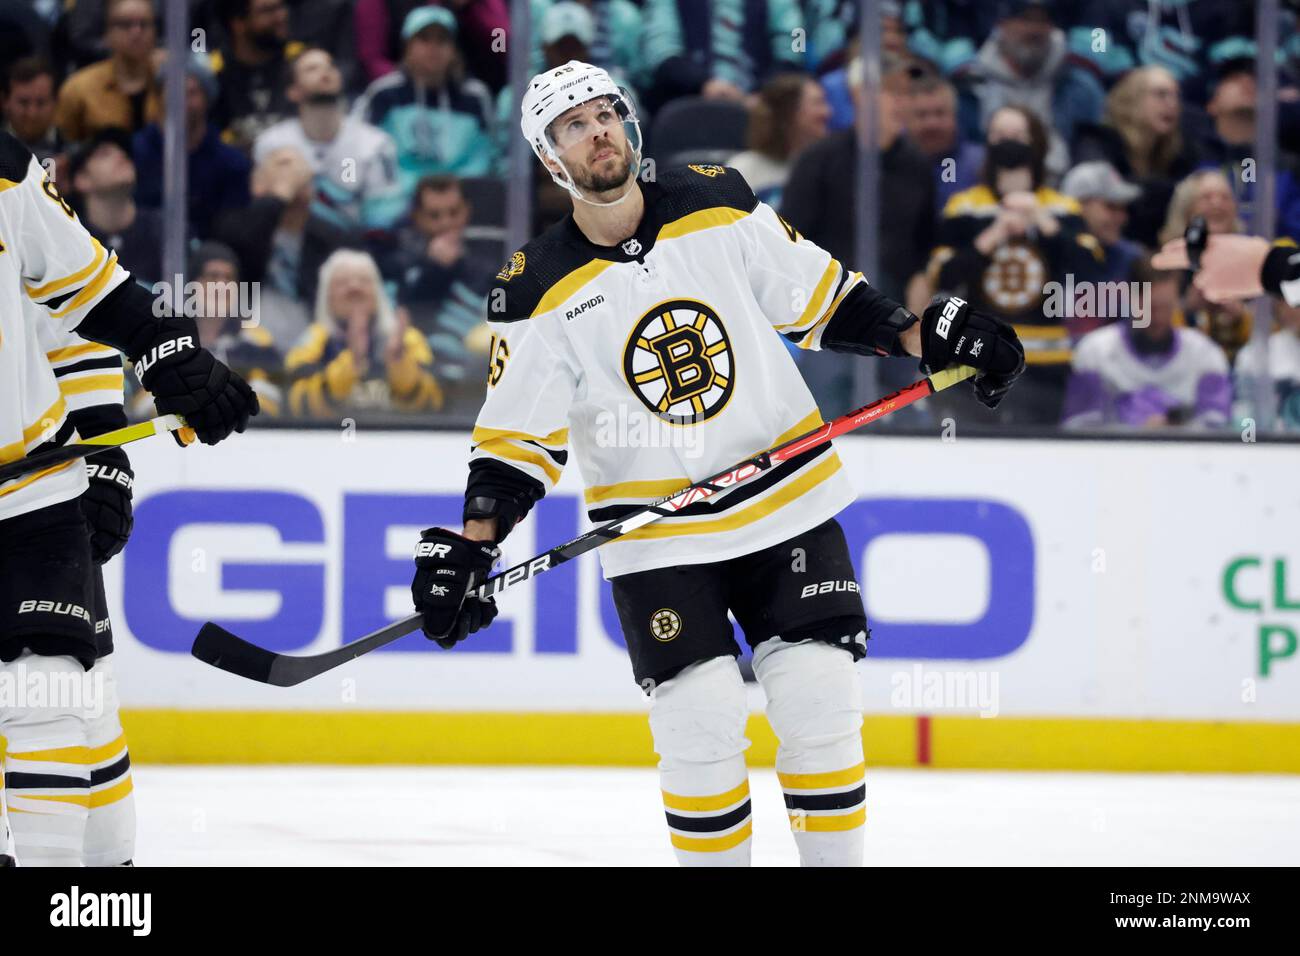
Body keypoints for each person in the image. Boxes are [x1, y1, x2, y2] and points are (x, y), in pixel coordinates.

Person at [406, 61, 1024, 868]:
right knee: (698, 729)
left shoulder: (716, 199)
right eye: (572, 125)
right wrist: (475, 541)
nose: (597, 131)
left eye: (605, 113)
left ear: (628, 126)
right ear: (550, 159)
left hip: (785, 502)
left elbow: (826, 299)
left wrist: (928, 337)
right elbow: (517, 441)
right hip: (658, 539)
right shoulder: (532, 290)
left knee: (820, 704)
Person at [0, 129, 259, 866]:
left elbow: (80, 292)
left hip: (29, 480)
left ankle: (87, 888)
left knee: (58, 688)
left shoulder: (4, 167)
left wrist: (163, 352)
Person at [927, 104, 1100, 425]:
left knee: (1040, 455)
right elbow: (942, 276)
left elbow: (1089, 273)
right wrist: (994, 234)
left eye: (1018, 135)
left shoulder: (1062, 208)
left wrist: (1042, 221)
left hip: (1046, 358)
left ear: (1036, 142)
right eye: (1000, 135)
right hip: (978, 354)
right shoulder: (965, 207)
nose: (1009, 144)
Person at [1062, 259, 1231, 429]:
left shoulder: (1205, 354)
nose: (1158, 318)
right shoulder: (1094, 352)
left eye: (1166, 307)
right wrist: (1137, 431)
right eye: (1151, 308)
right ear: (1130, 299)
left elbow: (1219, 425)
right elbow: (1079, 425)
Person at [378, 175, 495, 412]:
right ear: (417, 218)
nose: (446, 223)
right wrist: (435, 269)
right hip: (408, 386)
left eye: (454, 213)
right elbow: (402, 323)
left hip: (468, 388)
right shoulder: (396, 266)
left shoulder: (488, 271)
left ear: (467, 212)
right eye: (434, 215)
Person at [255, 47, 405, 230]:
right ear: (293, 91)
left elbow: (383, 219)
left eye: (330, 66)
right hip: (289, 243)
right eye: (312, 69)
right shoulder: (272, 144)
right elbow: (263, 213)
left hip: (353, 248)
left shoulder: (374, 144)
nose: (325, 72)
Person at [353, 6, 496, 189]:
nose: (433, 48)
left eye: (442, 40)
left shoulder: (476, 98)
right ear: (407, 47)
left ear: (454, 50)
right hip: (393, 199)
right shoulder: (382, 93)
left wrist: (450, 193)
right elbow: (363, 149)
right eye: (424, 39)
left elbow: (483, 158)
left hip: (457, 202)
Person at [285, 248, 443, 416]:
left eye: (364, 280)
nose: (354, 287)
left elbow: (434, 403)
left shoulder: (407, 338)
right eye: (342, 282)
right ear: (327, 296)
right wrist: (351, 362)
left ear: (378, 293)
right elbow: (296, 404)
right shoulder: (313, 340)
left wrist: (399, 362)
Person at [1070, 65, 1196, 249]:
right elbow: (1100, 189)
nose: (1172, 104)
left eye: (1176, 96)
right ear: (1131, 99)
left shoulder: (1180, 152)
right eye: (1161, 94)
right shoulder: (1096, 140)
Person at [132, 54, 252, 240]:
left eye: (192, 93)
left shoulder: (231, 163)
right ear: (159, 97)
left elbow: (233, 231)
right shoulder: (134, 153)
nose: (181, 101)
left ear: (207, 99)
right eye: (173, 92)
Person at [54, 0, 163, 143]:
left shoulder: (174, 83)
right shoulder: (78, 88)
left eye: (144, 24)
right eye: (125, 25)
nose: (136, 32)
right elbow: (64, 148)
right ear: (107, 33)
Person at [67, 127, 163, 286]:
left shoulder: (165, 231)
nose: (121, 155)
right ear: (81, 179)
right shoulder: (72, 241)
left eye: (124, 151)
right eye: (104, 154)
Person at [210, 0, 306, 150]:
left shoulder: (302, 60)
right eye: (268, 10)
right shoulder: (212, 70)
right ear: (238, 24)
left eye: (281, 7)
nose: (281, 16)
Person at [727, 73, 830, 208]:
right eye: (818, 103)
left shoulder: (827, 166)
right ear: (790, 112)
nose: (827, 112)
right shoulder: (742, 169)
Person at [1059, 160, 1144, 285]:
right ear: (1078, 205)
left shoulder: (1131, 259)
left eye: (1123, 208)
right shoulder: (1053, 258)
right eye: (1111, 206)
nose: (1122, 217)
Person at [3, 57, 64, 169]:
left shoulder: (75, 152)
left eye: (41, 103)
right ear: (4, 101)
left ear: (56, 103)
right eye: (23, 103)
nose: (32, 114)